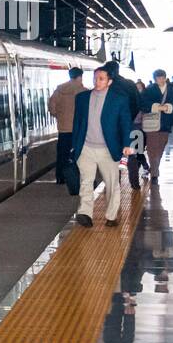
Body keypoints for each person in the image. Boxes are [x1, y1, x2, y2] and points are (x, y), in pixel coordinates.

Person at [71, 66, 133, 227]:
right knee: (86, 182)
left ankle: (111, 216)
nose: (97, 81)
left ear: (109, 81)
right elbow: (77, 123)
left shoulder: (119, 99)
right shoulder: (82, 98)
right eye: (95, 78)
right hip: (86, 148)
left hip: (108, 149)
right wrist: (74, 145)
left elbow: (126, 123)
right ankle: (85, 213)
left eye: (101, 79)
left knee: (112, 183)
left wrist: (127, 144)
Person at [103, 60, 142, 189]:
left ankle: (115, 184)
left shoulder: (104, 85)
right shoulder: (129, 84)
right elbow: (137, 104)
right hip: (127, 125)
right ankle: (135, 184)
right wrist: (129, 119)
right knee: (130, 155)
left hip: (110, 127)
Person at [139, 69, 173, 184]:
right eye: (158, 78)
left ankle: (154, 167)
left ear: (165, 77)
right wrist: (156, 107)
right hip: (151, 123)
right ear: (155, 79)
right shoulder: (149, 90)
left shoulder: (172, 91)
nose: (160, 80)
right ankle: (154, 175)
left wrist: (168, 107)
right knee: (152, 148)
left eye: (162, 77)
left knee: (161, 147)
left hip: (166, 124)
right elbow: (142, 103)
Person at [48, 67, 87, 184]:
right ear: (80, 77)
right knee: (79, 154)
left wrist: (59, 116)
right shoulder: (84, 91)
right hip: (79, 130)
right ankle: (76, 177)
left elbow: (52, 107)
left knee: (62, 154)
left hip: (64, 129)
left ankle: (60, 177)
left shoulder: (60, 90)